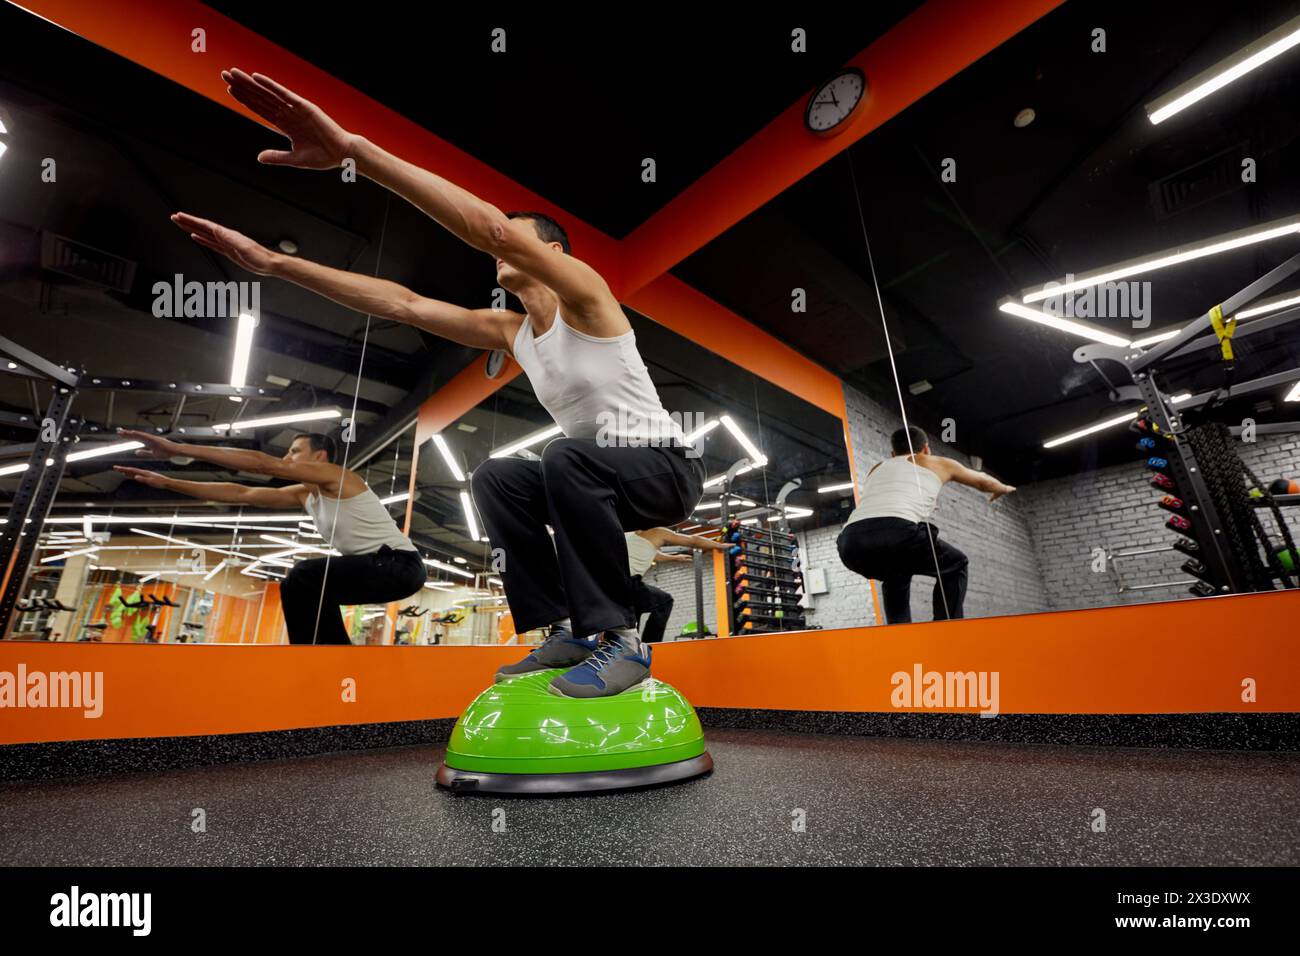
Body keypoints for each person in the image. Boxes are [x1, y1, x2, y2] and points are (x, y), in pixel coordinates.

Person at [170, 69, 704, 696]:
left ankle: (620, 640)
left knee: (564, 456)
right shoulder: (513, 332)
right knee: (500, 476)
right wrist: (276, 264)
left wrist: (352, 152)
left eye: (516, 240)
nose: (497, 250)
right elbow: (402, 304)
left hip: (665, 468)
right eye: (500, 245)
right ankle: (562, 628)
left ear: (555, 254)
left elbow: (493, 229)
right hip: (599, 476)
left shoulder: (587, 298)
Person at [114, 429, 426, 645]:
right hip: (379, 569)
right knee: (299, 587)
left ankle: (322, 656)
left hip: (400, 566)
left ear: (320, 456)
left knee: (305, 575)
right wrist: (169, 483)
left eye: (294, 452)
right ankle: (332, 660)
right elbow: (243, 492)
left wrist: (178, 449)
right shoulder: (306, 495)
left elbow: (264, 463)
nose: (288, 459)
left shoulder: (338, 477)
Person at [837, 425, 1015, 624]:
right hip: (898, 532)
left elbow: (889, 499)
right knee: (956, 564)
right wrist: (1003, 488)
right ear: (926, 449)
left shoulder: (877, 468)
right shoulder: (936, 462)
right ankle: (946, 628)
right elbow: (982, 481)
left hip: (849, 543)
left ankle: (900, 634)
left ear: (892, 453)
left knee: (896, 575)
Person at [625, 527, 731, 644]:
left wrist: (675, 557)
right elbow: (693, 540)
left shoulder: (627, 534)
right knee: (665, 601)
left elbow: (653, 554)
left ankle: (632, 645)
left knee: (634, 612)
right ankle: (651, 643)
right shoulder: (657, 532)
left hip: (612, 585)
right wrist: (718, 545)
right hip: (630, 583)